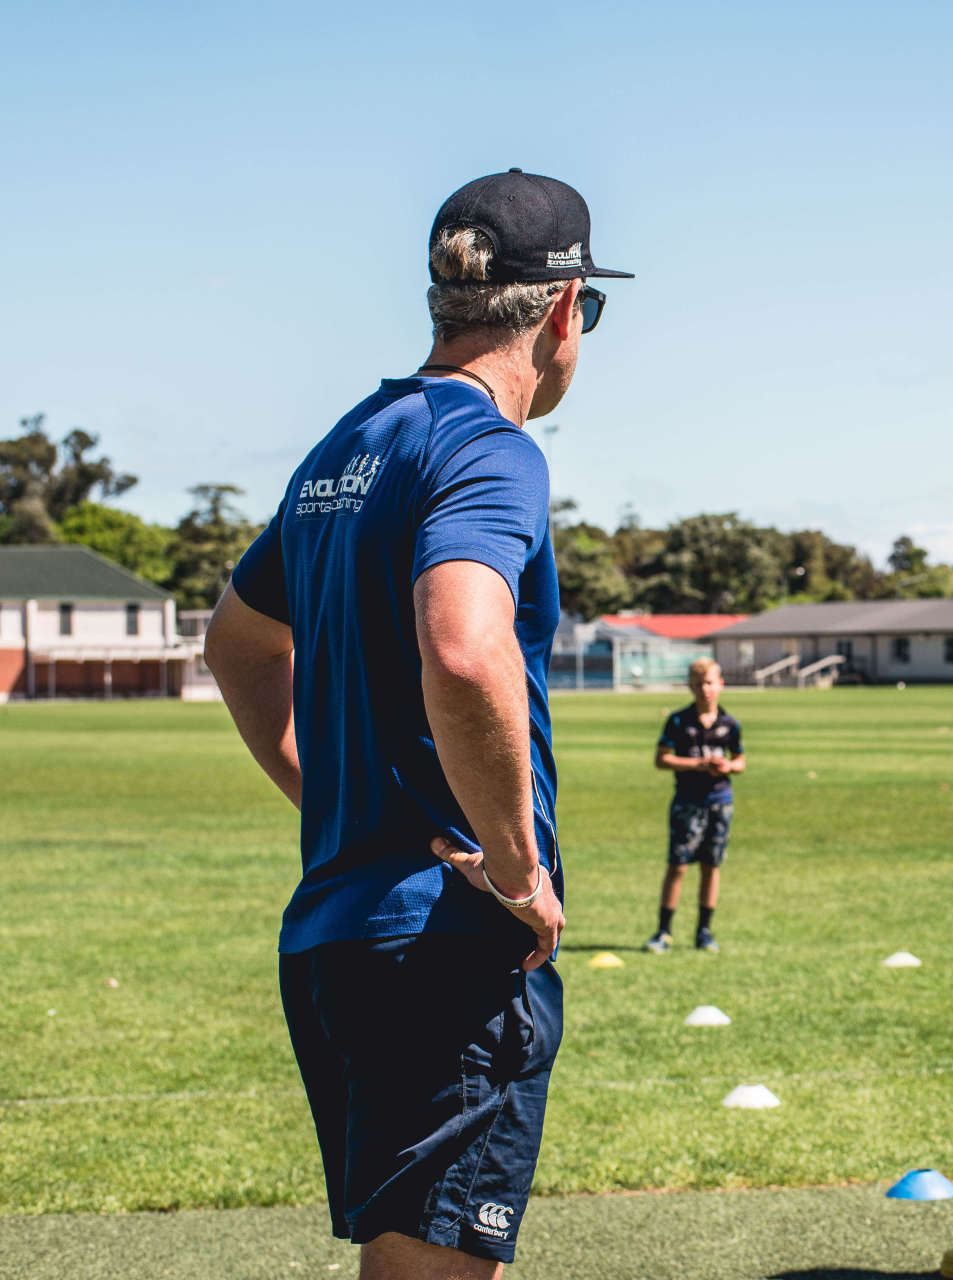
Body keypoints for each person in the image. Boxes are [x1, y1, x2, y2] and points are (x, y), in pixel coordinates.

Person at [203, 168, 629, 1278]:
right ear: (566, 309)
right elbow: (463, 643)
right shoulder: (490, 447)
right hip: (444, 938)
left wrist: (338, 795)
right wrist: (516, 864)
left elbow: (238, 644)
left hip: (338, 933)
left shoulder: (349, 443)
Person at [647, 657, 745, 953]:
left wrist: (727, 766)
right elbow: (662, 759)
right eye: (699, 684)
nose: (705, 689)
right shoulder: (678, 721)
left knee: (710, 866)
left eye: (710, 683)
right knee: (678, 866)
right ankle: (663, 932)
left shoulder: (730, 724)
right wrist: (700, 764)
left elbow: (740, 761)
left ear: (720, 685)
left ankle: (704, 931)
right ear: (691, 686)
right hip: (687, 803)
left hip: (720, 802)